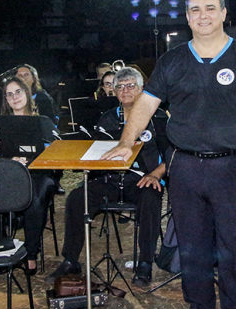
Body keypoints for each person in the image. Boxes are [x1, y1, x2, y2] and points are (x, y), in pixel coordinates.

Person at [104, 0, 236, 309]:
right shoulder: (172, 61)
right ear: (187, 17)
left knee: (233, 247)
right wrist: (125, 142)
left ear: (224, 13)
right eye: (195, 9)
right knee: (193, 246)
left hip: (234, 168)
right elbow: (146, 105)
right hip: (184, 166)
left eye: (210, 8)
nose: (203, 15)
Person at [54, 67, 170, 287]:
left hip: (144, 179)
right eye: (120, 86)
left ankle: (145, 262)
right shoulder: (106, 119)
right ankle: (71, 260)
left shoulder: (159, 117)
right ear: (114, 91)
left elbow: (173, 153)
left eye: (131, 85)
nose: (125, 90)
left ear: (142, 89)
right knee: (77, 197)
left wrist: (156, 174)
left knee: (151, 198)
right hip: (110, 179)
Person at [0, 75, 60, 274]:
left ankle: (30, 254)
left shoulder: (43, 121)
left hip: (37, 174)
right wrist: (9, 161)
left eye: (18, 91)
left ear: (27, 94)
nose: (14, 97)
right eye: (9, 94)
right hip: (7, 173)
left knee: (35, 199)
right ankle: (6, 247)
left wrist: (29, 161)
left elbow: (54, 152)